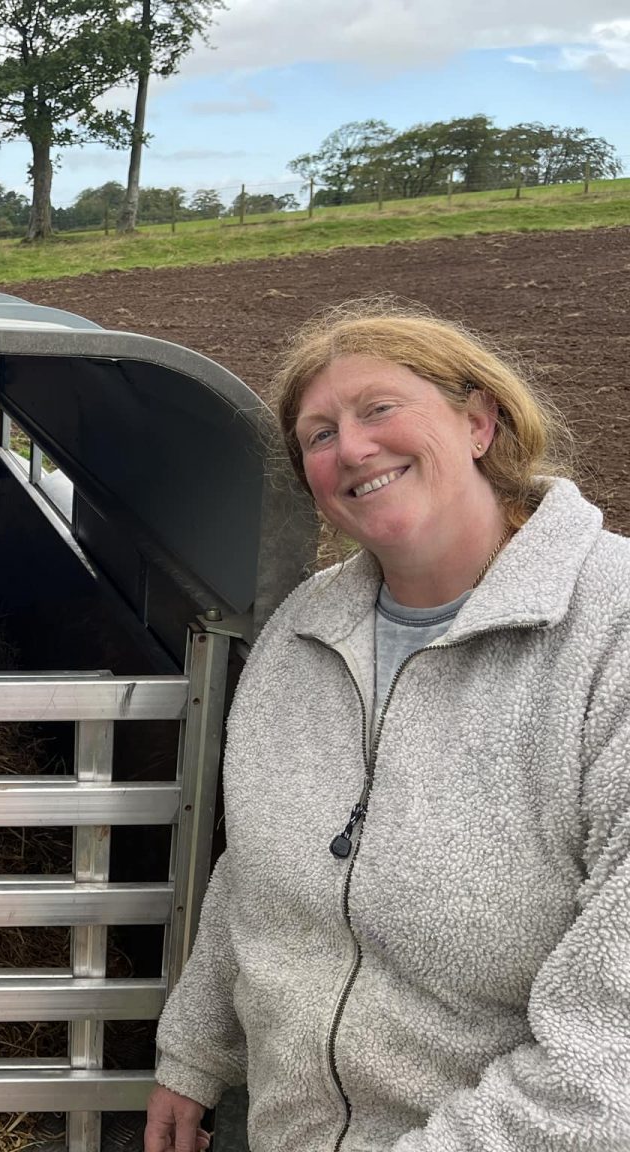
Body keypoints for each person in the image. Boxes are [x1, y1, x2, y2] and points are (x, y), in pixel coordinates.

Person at [145, 298, 630, 1152]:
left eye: (379, 409)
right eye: (319, 435)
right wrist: (192, 1053)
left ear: (480, 421)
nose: (353, 449)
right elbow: (251, 872)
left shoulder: (608, 638)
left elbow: (607, 1054)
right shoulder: (303, 630)